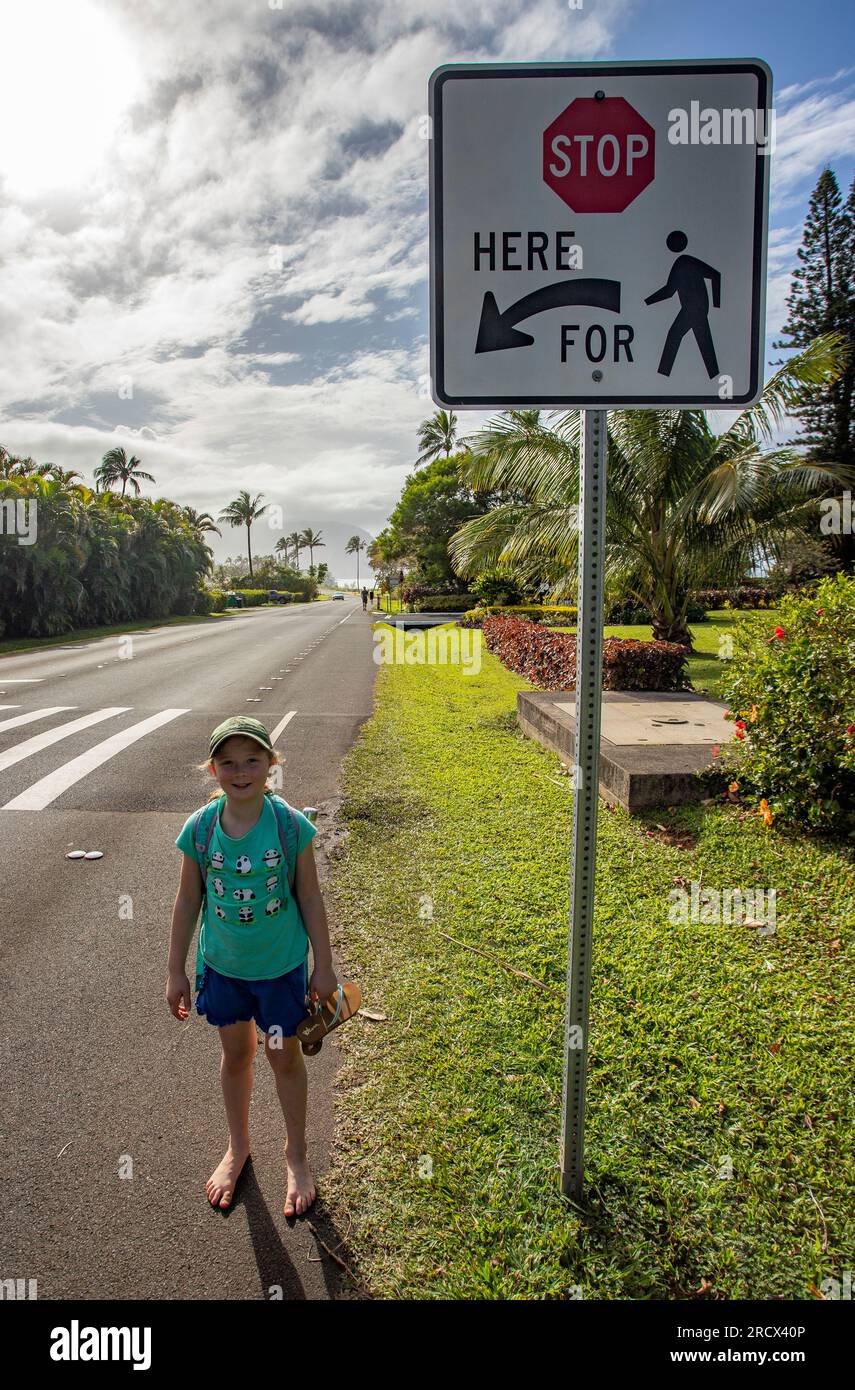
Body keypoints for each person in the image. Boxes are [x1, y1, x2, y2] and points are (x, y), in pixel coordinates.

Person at [166, 715, 337, 1217]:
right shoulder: (200, 829)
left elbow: (309, 894)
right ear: (213, 769)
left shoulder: (288, 826)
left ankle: (296, 1156)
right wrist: (175, 969)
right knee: (237, 1056)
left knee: (282, 1056)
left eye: (252, 760)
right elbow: (186, 900)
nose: (241, 772)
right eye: (228, 763)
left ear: (270, 764)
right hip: (224, 970)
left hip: (280, 972)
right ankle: (238, 1146)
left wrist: (323, 967)